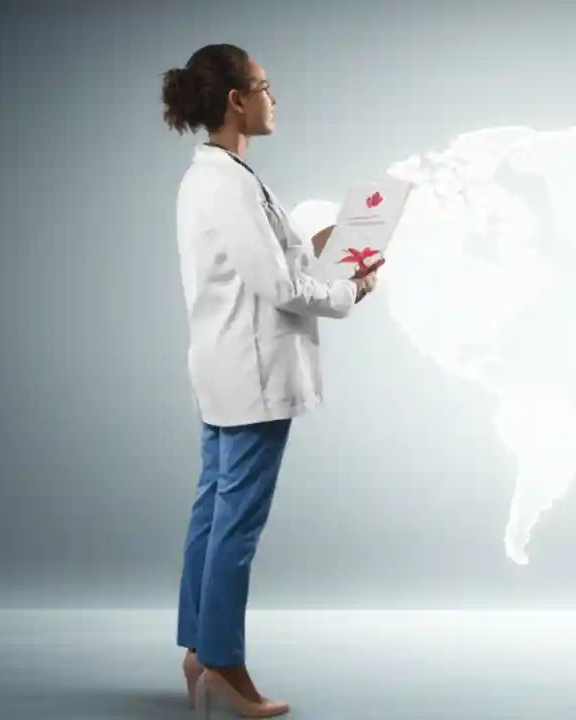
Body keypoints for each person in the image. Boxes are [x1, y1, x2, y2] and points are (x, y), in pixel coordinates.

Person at [161, 43, 377, 718]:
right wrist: (345, 290)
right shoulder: (223, 181)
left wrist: (329, 245)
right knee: (236, 526)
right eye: (264, 86)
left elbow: (268, 257)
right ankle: (224, 664)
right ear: (236, 100)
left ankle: (200, 648)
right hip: (249, 374)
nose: (272, 98)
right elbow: (278, 287)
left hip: (227, 366)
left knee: (213, 511)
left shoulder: (222, 174)